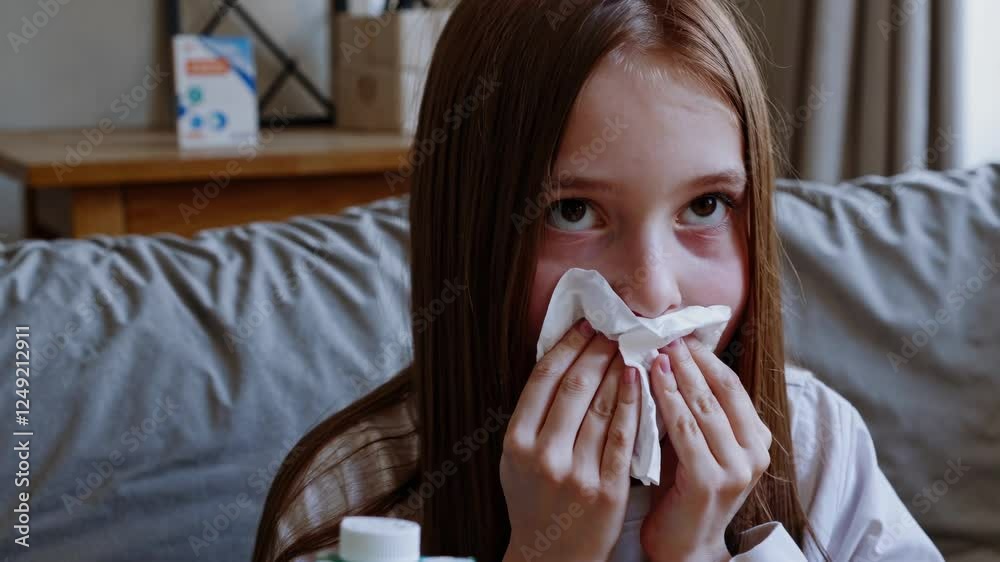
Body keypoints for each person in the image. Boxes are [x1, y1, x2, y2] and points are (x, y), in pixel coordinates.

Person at [253, 1, 945, 560]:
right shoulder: (356, 497)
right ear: (472, 233)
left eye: (704, 206)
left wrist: (702, 550)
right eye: (573, 211)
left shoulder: (819, 450)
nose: (652, 291)